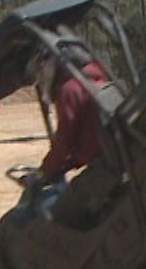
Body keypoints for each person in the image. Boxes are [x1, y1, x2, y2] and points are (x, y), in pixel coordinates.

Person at [21, 39, 111, 217]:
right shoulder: (93, 76)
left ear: (48, 63)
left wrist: (43, 173)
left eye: (40, 71)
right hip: (108, 158)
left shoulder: (68, 89)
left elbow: (64, 142)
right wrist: (64, 166)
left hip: (101, 166)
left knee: (52, 211)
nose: (39, 79)